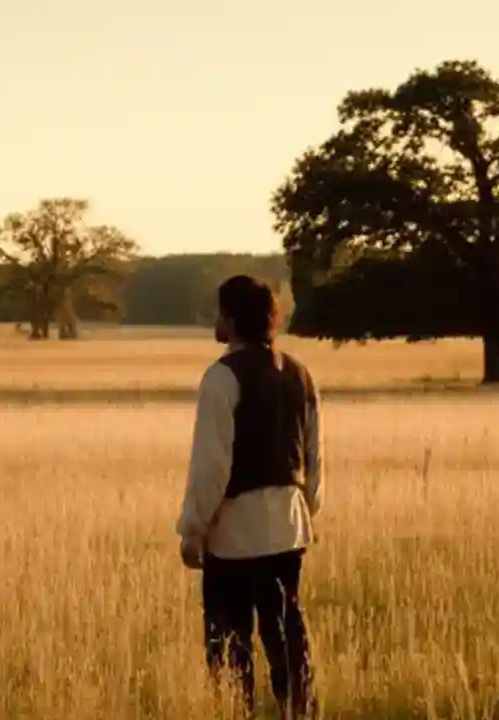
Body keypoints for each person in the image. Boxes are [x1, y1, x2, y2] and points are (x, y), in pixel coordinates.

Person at [176, 275, 323, 719]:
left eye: (221, 312)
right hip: (290, 525)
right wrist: (308, 510)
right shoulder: (300, 373)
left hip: (235, 533)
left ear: (232, 318)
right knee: (288, 638)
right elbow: (314, 454)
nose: (216, 321)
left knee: (229, 645)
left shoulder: (221, 378)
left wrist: (192, 530)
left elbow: (212, 467)